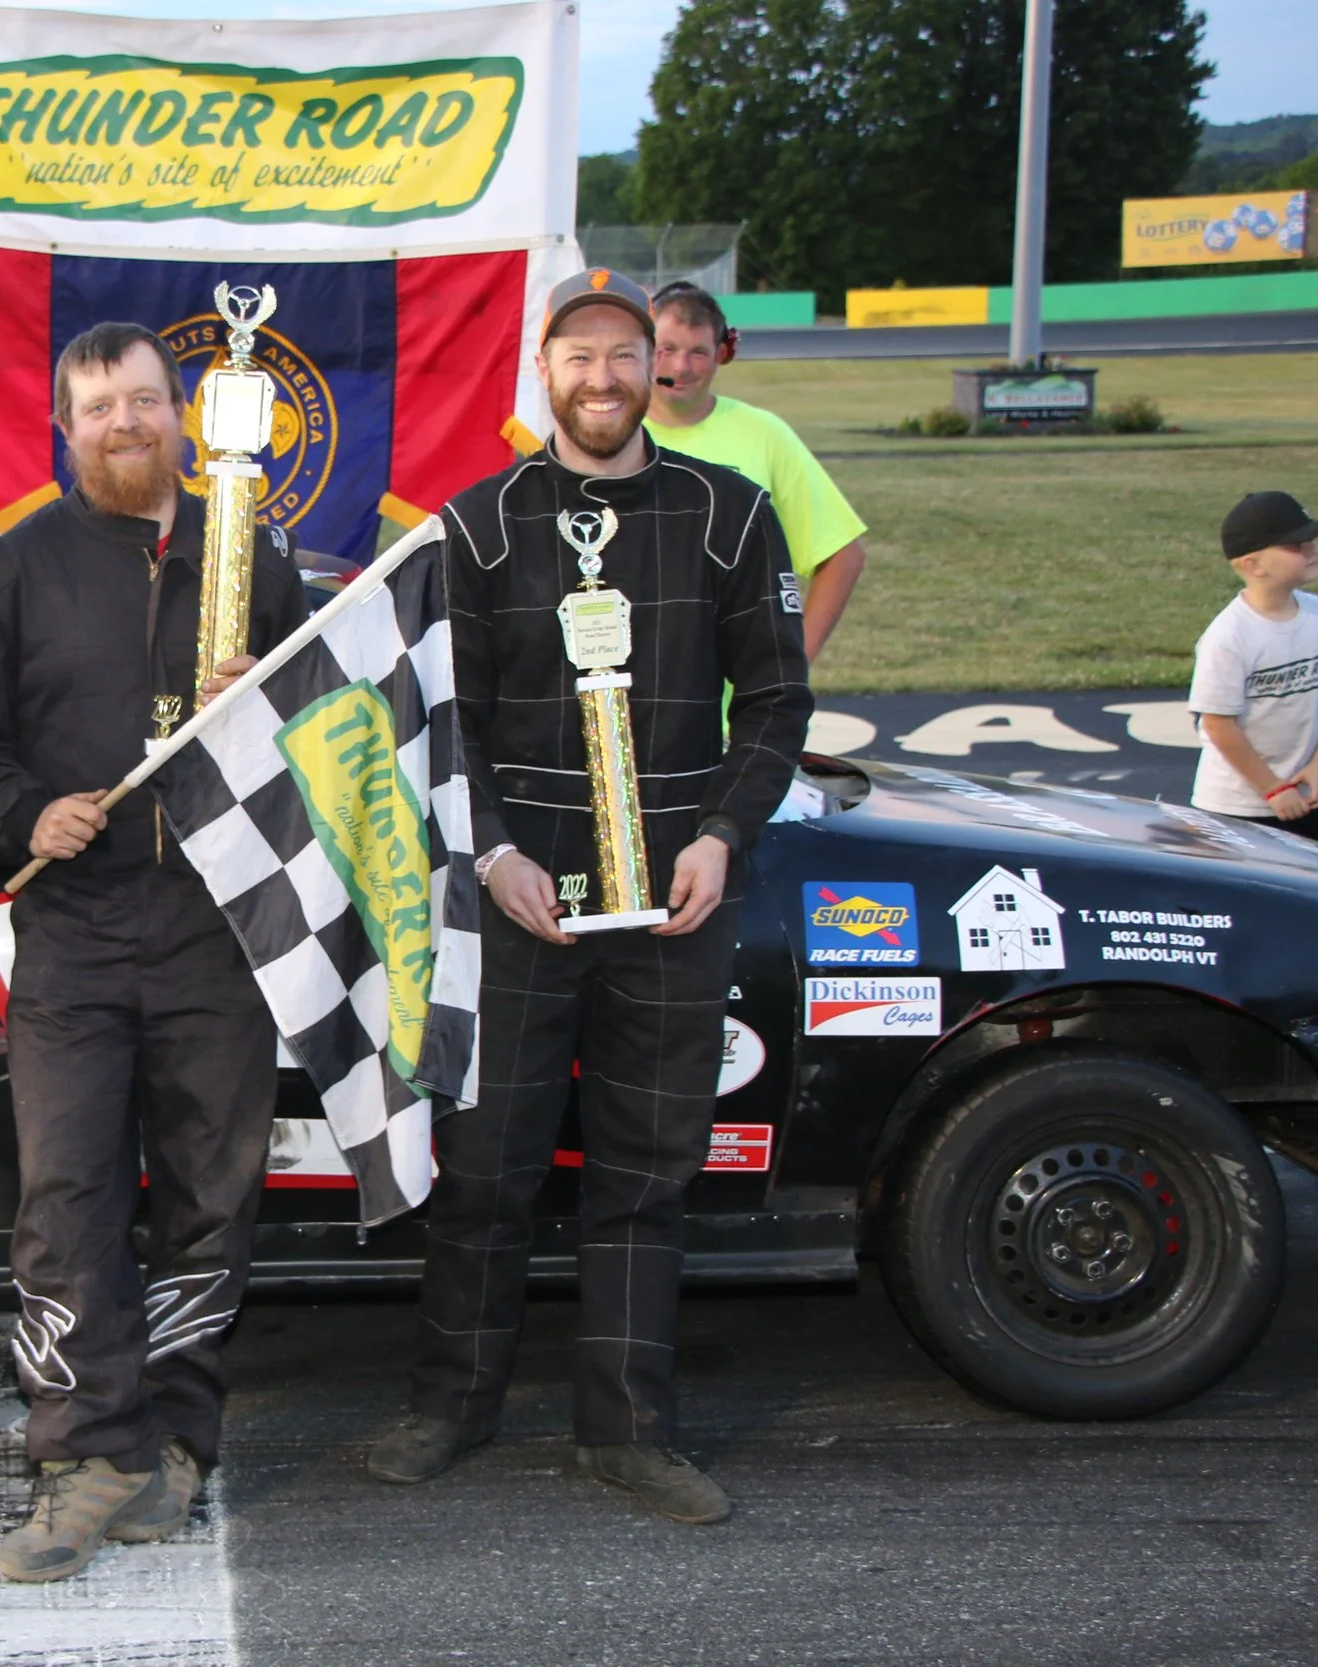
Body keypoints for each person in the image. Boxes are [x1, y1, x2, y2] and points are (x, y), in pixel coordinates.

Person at [364, 269, 810, 1524]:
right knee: (487, 1163)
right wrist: (491, 851)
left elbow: (778, 700)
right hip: (518, 893)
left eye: (623, 353)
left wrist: (722, 834)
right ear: (542, 370)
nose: (602, 377)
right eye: (578, 356)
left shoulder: (729, 514)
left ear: (656, 365)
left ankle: (628, 1430)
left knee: (643, 1171)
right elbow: (441, 718)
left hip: (673, 891)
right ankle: (450, 1404)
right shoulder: (475, 525)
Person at [0, 321, 309, 1583]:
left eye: (144, 400)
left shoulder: (252, 551)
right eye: (98, 407)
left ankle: (179, 1437)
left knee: (212, 1193)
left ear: (182, 414)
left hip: (220, 928)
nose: (124, 424)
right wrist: (21, 812)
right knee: (66, 1197)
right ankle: (87, 1449)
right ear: (65, 426)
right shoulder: (15, 562)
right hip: (76, 931)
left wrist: (266, 700)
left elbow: (325, 726)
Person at [644, 282, 866, 661]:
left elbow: (843, 555)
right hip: (635, 682)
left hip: (742, 689)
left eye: (698, 352)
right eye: (667, 349)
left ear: (722, 354)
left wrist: (792, 664)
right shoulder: (617, 434)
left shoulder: (764, 434)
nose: (680, 367)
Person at [1189, 491, 1318, 843]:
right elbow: (1218, 724)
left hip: (1307, 791)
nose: (1313, 550)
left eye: (1313, 540)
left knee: (1307, 875)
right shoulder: (1229, 636)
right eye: (1296, 545)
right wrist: (1272, 788)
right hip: (1237, 804)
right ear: (1253, 565)